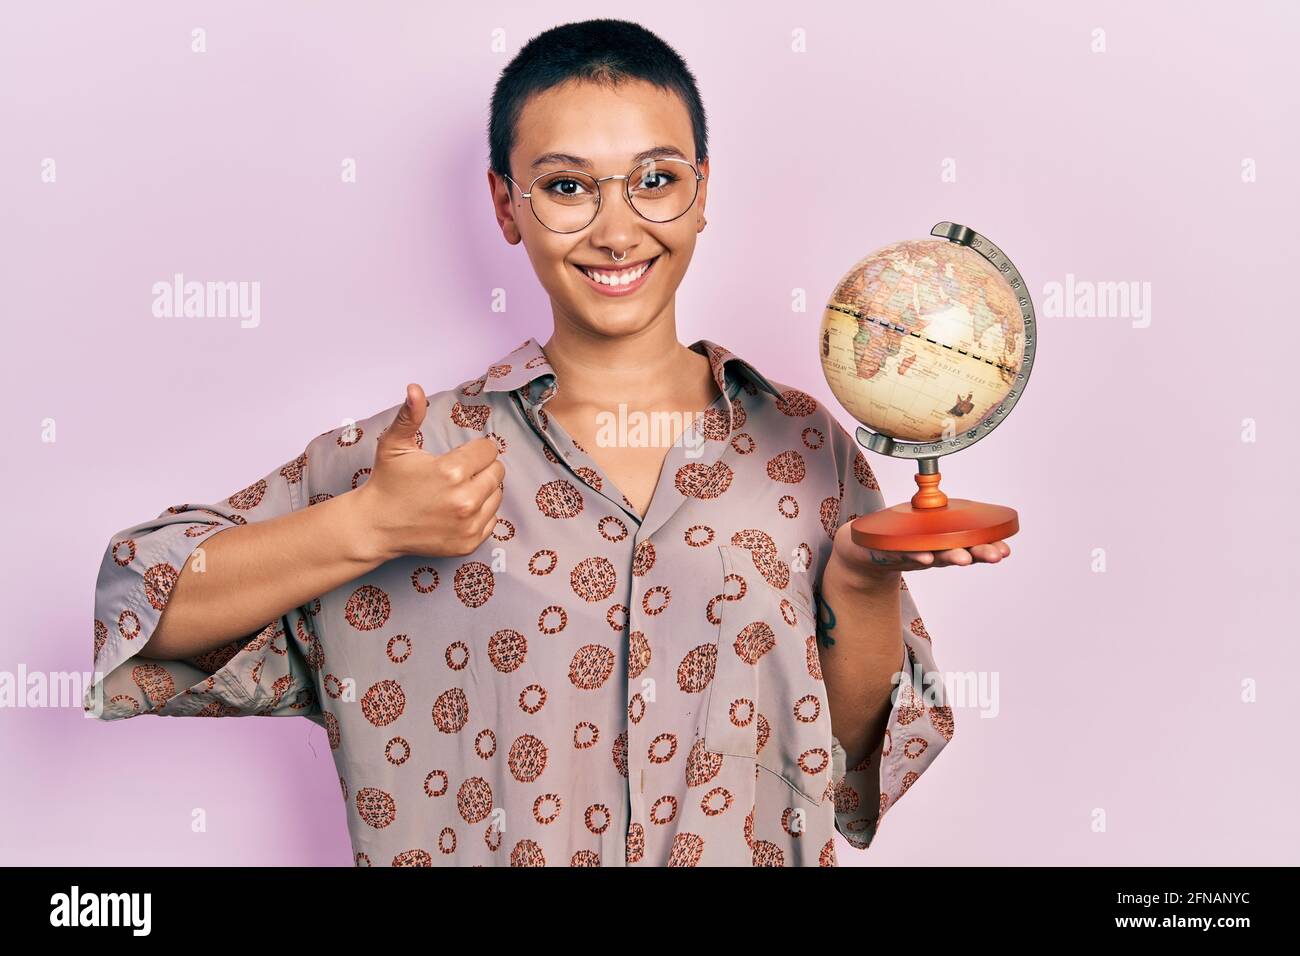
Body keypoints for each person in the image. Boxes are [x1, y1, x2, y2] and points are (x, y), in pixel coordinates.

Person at [86, 18, 1009, 867]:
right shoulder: (419, 455)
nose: (616, 230)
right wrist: (369, 526)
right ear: (505, 204)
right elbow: (141, 604)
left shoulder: (805, 447)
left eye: (655, 179)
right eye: (567, 187)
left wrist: (858, 578)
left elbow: (844, 762)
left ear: (700, 194)